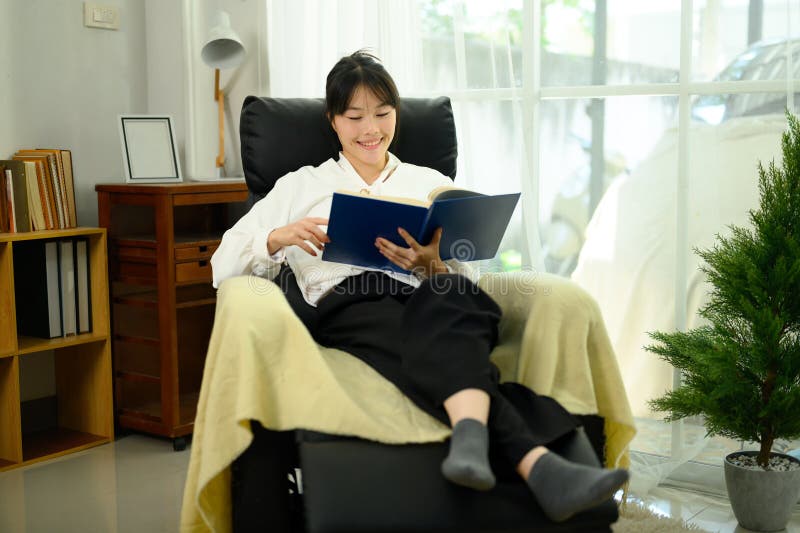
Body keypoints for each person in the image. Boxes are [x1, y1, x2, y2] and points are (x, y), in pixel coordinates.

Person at [211, 49, 628, 523]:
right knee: (424, 328)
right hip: (350, 300)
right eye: (355, 117)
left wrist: (434, 265)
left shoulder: (428, 181)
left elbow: (463, 277)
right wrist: (276, 236)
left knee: (453, 294)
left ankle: (481, 438)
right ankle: (532, 460)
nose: (371, 129)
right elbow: (221, 263)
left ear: (397, 114)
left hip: (428, 293)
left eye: (383, 114)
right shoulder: (300, 185)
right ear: (333, 120)